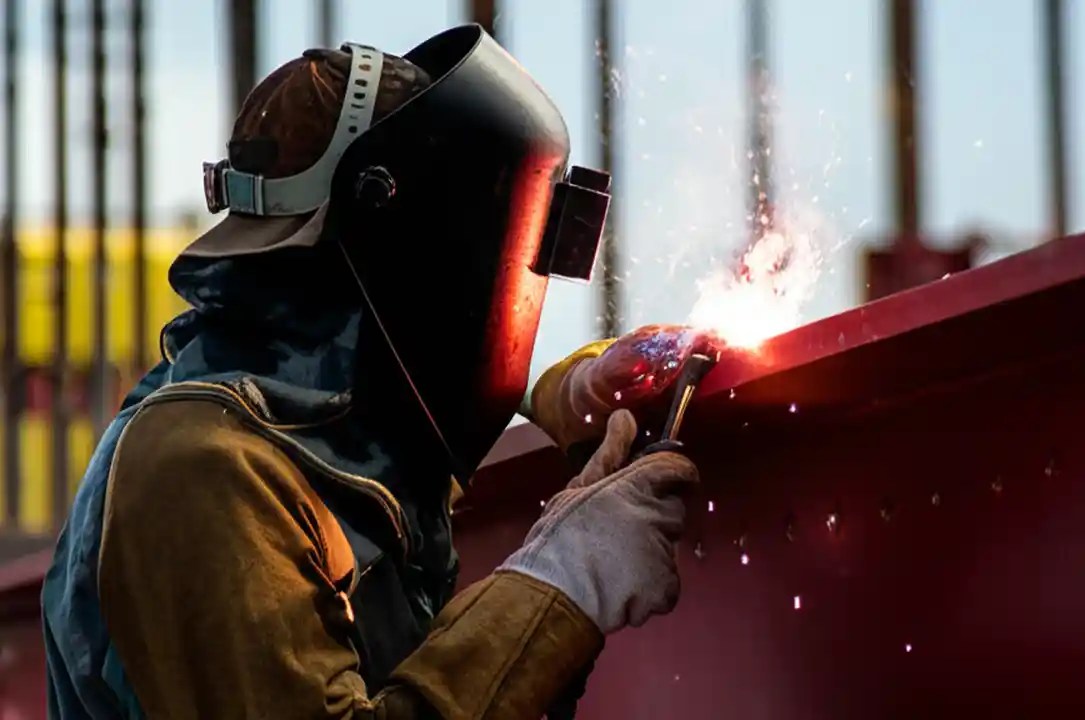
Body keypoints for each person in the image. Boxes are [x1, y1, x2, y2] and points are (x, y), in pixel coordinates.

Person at [41, 27, 713, 719]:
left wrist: (569, 392)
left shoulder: (275, 421)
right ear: (397, 254)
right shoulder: (203, 475)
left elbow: (369, 461)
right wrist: (563, 584)